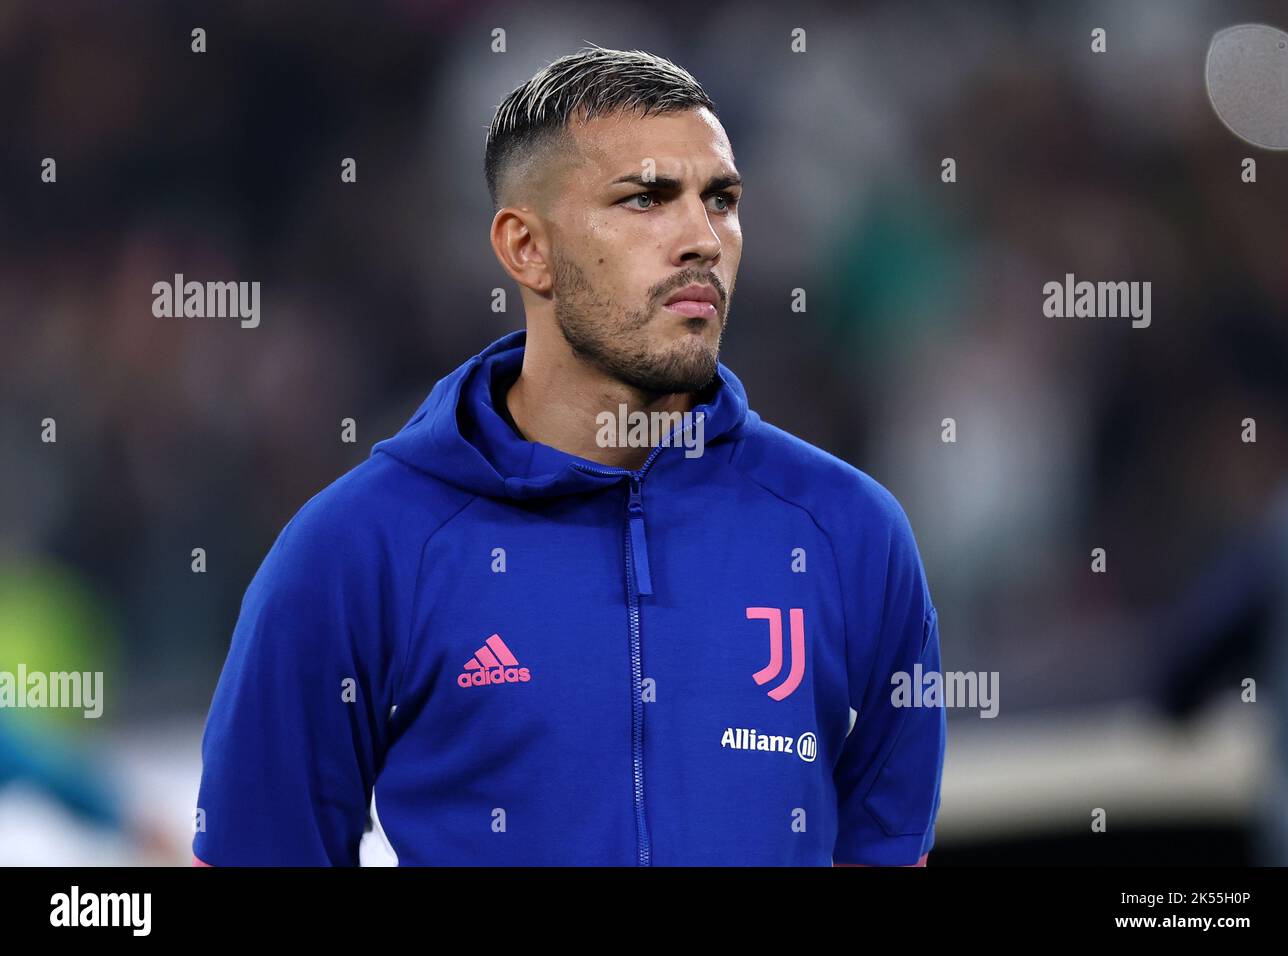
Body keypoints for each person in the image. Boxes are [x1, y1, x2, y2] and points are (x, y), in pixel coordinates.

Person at [193, 44, 944, 866]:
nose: (702, 237)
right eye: (647, 198)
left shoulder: (849, 534)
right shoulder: (357, 550)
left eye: (721, 200)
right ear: (526, 249)